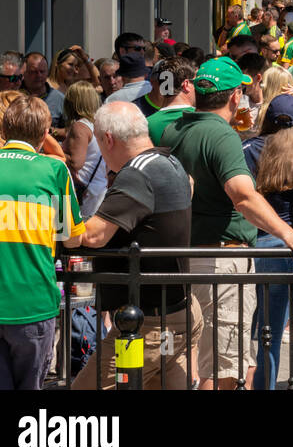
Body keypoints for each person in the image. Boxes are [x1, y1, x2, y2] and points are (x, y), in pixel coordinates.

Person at [158, 56, 293, 390]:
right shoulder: (222, 136)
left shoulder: (173, 128)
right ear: (234, 97)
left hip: (183, 257)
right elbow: (242, 196)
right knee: (221, 369)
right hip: (220, 264)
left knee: (189, 363)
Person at [71, 102, 199, 390]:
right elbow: (191, 186)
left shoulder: (138, 172)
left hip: (147, 325)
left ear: (108, 140)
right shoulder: (171, 162)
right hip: (177, 313)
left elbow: (93, 236)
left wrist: (59, 226)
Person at [0, 95, 85, 389]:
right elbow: (71, 238)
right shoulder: (55, 170)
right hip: (32, 303)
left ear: (5, 129)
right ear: (45, 133)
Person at [242, 95, 293, 390]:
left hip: (246, 245)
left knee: (241, 326)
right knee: (269, 332)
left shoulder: (244, 149)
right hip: (281, 249)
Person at [62, 81, 108, 219]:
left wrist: (55, 151)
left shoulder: (80, 127)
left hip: (83, 193)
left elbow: (76, 163)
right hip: (98, 189)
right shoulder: (100, 125)